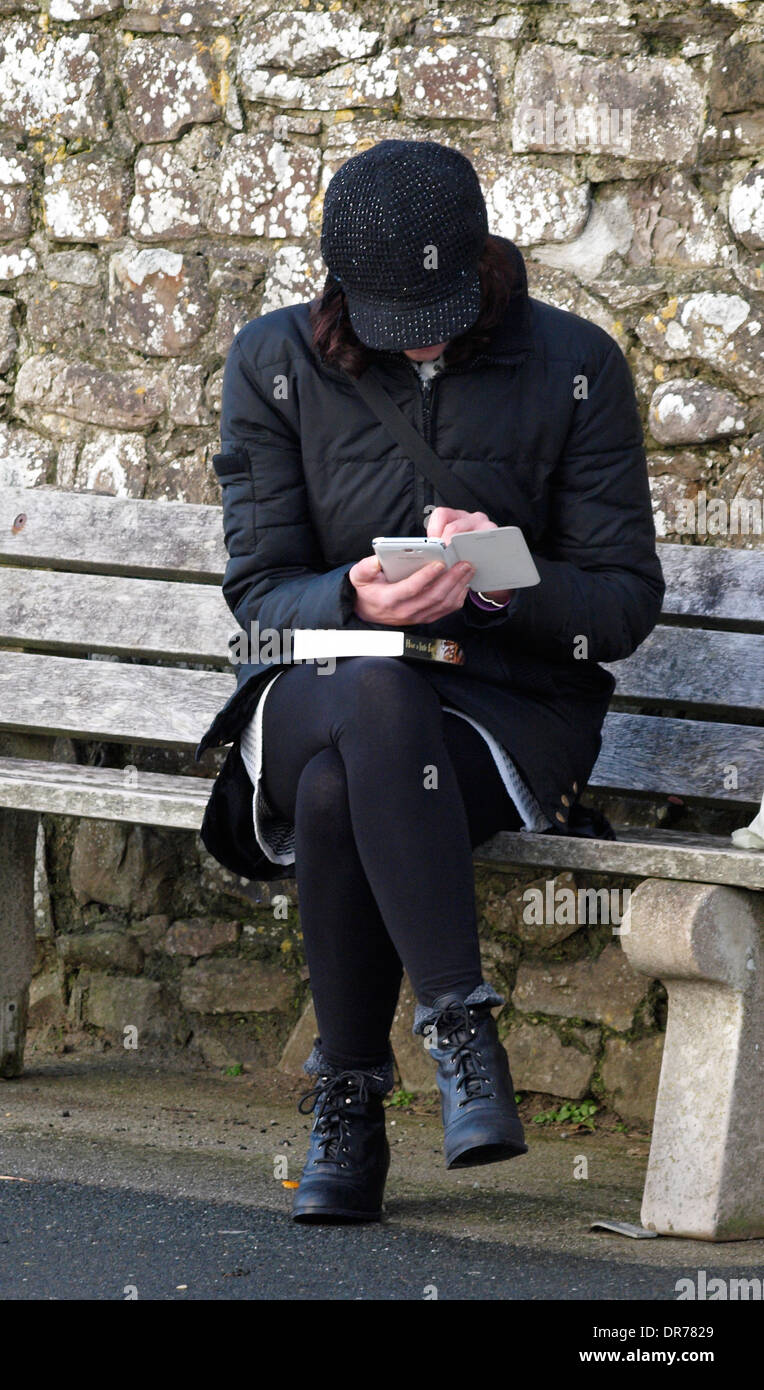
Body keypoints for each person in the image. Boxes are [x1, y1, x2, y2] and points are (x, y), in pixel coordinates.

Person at [193, 140, 665, 1223]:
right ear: (342, 288)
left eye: (439, 313)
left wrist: (497, 577)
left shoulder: (576, 363)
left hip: (499, 716)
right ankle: (460, 1023)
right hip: (317, 688)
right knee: (373, 688)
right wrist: (351, 601)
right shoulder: (271, 361)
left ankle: (348, 1107)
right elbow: (259, 594)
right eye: (394, 320)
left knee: (338, 791)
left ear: (481, 263)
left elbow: (622, 604)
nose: (422, 339)